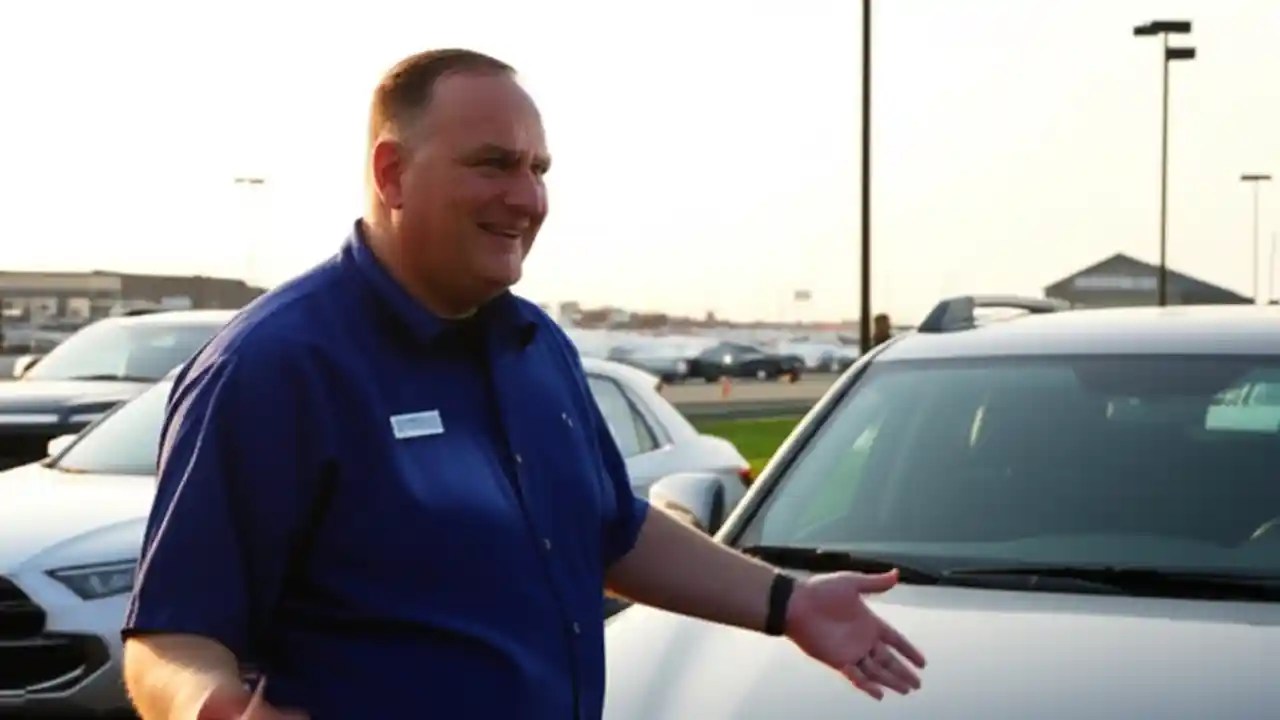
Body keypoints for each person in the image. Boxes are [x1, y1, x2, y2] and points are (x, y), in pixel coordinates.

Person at [120, 48, 926, 720]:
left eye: (538, 168)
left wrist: (787, 602)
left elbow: (611, 531)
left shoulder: (537, 346)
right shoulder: (277, 368)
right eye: (493, 165)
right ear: (392, 172)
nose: (529, 198)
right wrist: (205, 706)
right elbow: (169, 638)